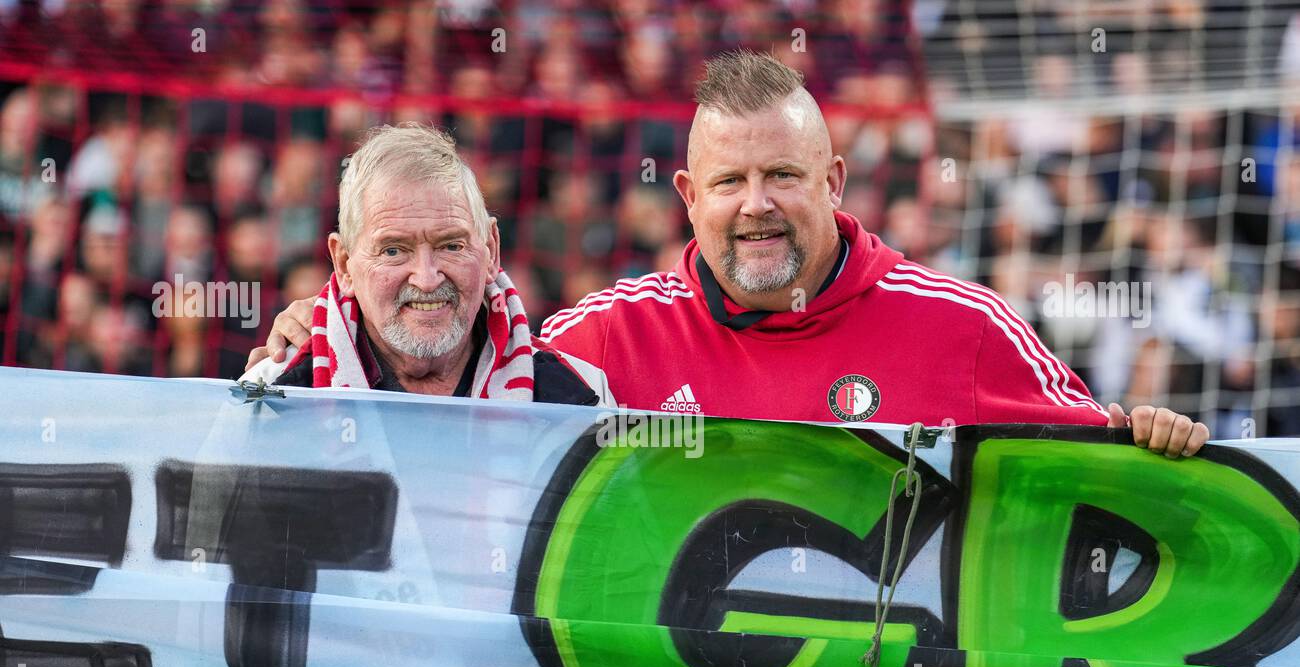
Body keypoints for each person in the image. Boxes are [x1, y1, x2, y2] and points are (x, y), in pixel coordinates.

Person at [247, 52, 1207, 458]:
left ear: (832, 181)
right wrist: (329, 328)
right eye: (728, 183)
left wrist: (1156, 445)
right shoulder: (597, 348)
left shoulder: (966, 331)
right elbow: (446, 388)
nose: (756, 207)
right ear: (688, 198)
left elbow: (1099, 468)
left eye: (782, 176)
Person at [241, 124, 613, 407]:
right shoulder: (274, 394)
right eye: (393, 251)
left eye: (451, 245)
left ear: (491, 251)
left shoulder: (580, 399)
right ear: (344, 264)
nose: (427, 278)